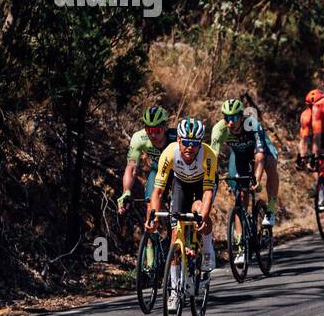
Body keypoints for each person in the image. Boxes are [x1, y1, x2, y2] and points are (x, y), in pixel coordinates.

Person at [147, 118, 218, 305]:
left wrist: (203, 215)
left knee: (198, 211)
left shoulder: (208, 155)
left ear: (200, 143)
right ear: (178, 140)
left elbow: (208, 191)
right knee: (175, 238)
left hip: (202, 185)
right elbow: (158, 191)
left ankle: (208, 248)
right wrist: (153, 215)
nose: (190, 148)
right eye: (186, 142)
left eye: (195, 144)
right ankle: (174, 291)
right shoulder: (169, 153)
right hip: (180, 184)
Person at [211, 98, 280, 227]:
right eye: (227, 117)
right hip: (239, 154)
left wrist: (257, 179)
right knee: (241, 198)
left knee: (270, 164)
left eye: (235, 117)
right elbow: (212, 156)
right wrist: (211, 175)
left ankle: (271, 209)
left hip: (261, 150)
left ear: (242, 117)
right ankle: (239, 238)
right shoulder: (219, 129)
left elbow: (260, 156)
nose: (231, 122)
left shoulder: (252, 124)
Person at [119, 105, 174, 216]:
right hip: (158, 170)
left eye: (157, 130)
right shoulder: (139, 138)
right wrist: (126, 192)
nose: (153, 135)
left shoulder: (176, 137)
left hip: (178, 172)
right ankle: (152, 231)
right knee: (150, 205)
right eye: (149, 130)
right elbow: (131, 167)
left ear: (165, 127)